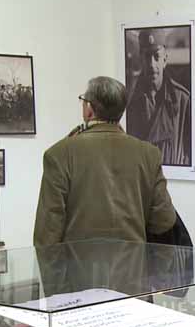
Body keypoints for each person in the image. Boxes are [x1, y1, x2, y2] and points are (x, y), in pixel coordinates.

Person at [33, 76, 177, 247]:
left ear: (89, 109)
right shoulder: (149, 154)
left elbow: (48, 231)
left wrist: (52, 273)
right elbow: (163, 220)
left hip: (77, 270)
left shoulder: (58, 154)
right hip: (134, 269)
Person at [126, 29, 192, 166]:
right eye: (146, 57)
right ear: (140, 59)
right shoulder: (130, 102)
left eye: (156, 57)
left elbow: (191, 154)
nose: (151, 64)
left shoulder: (182, 100)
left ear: (165, 60)